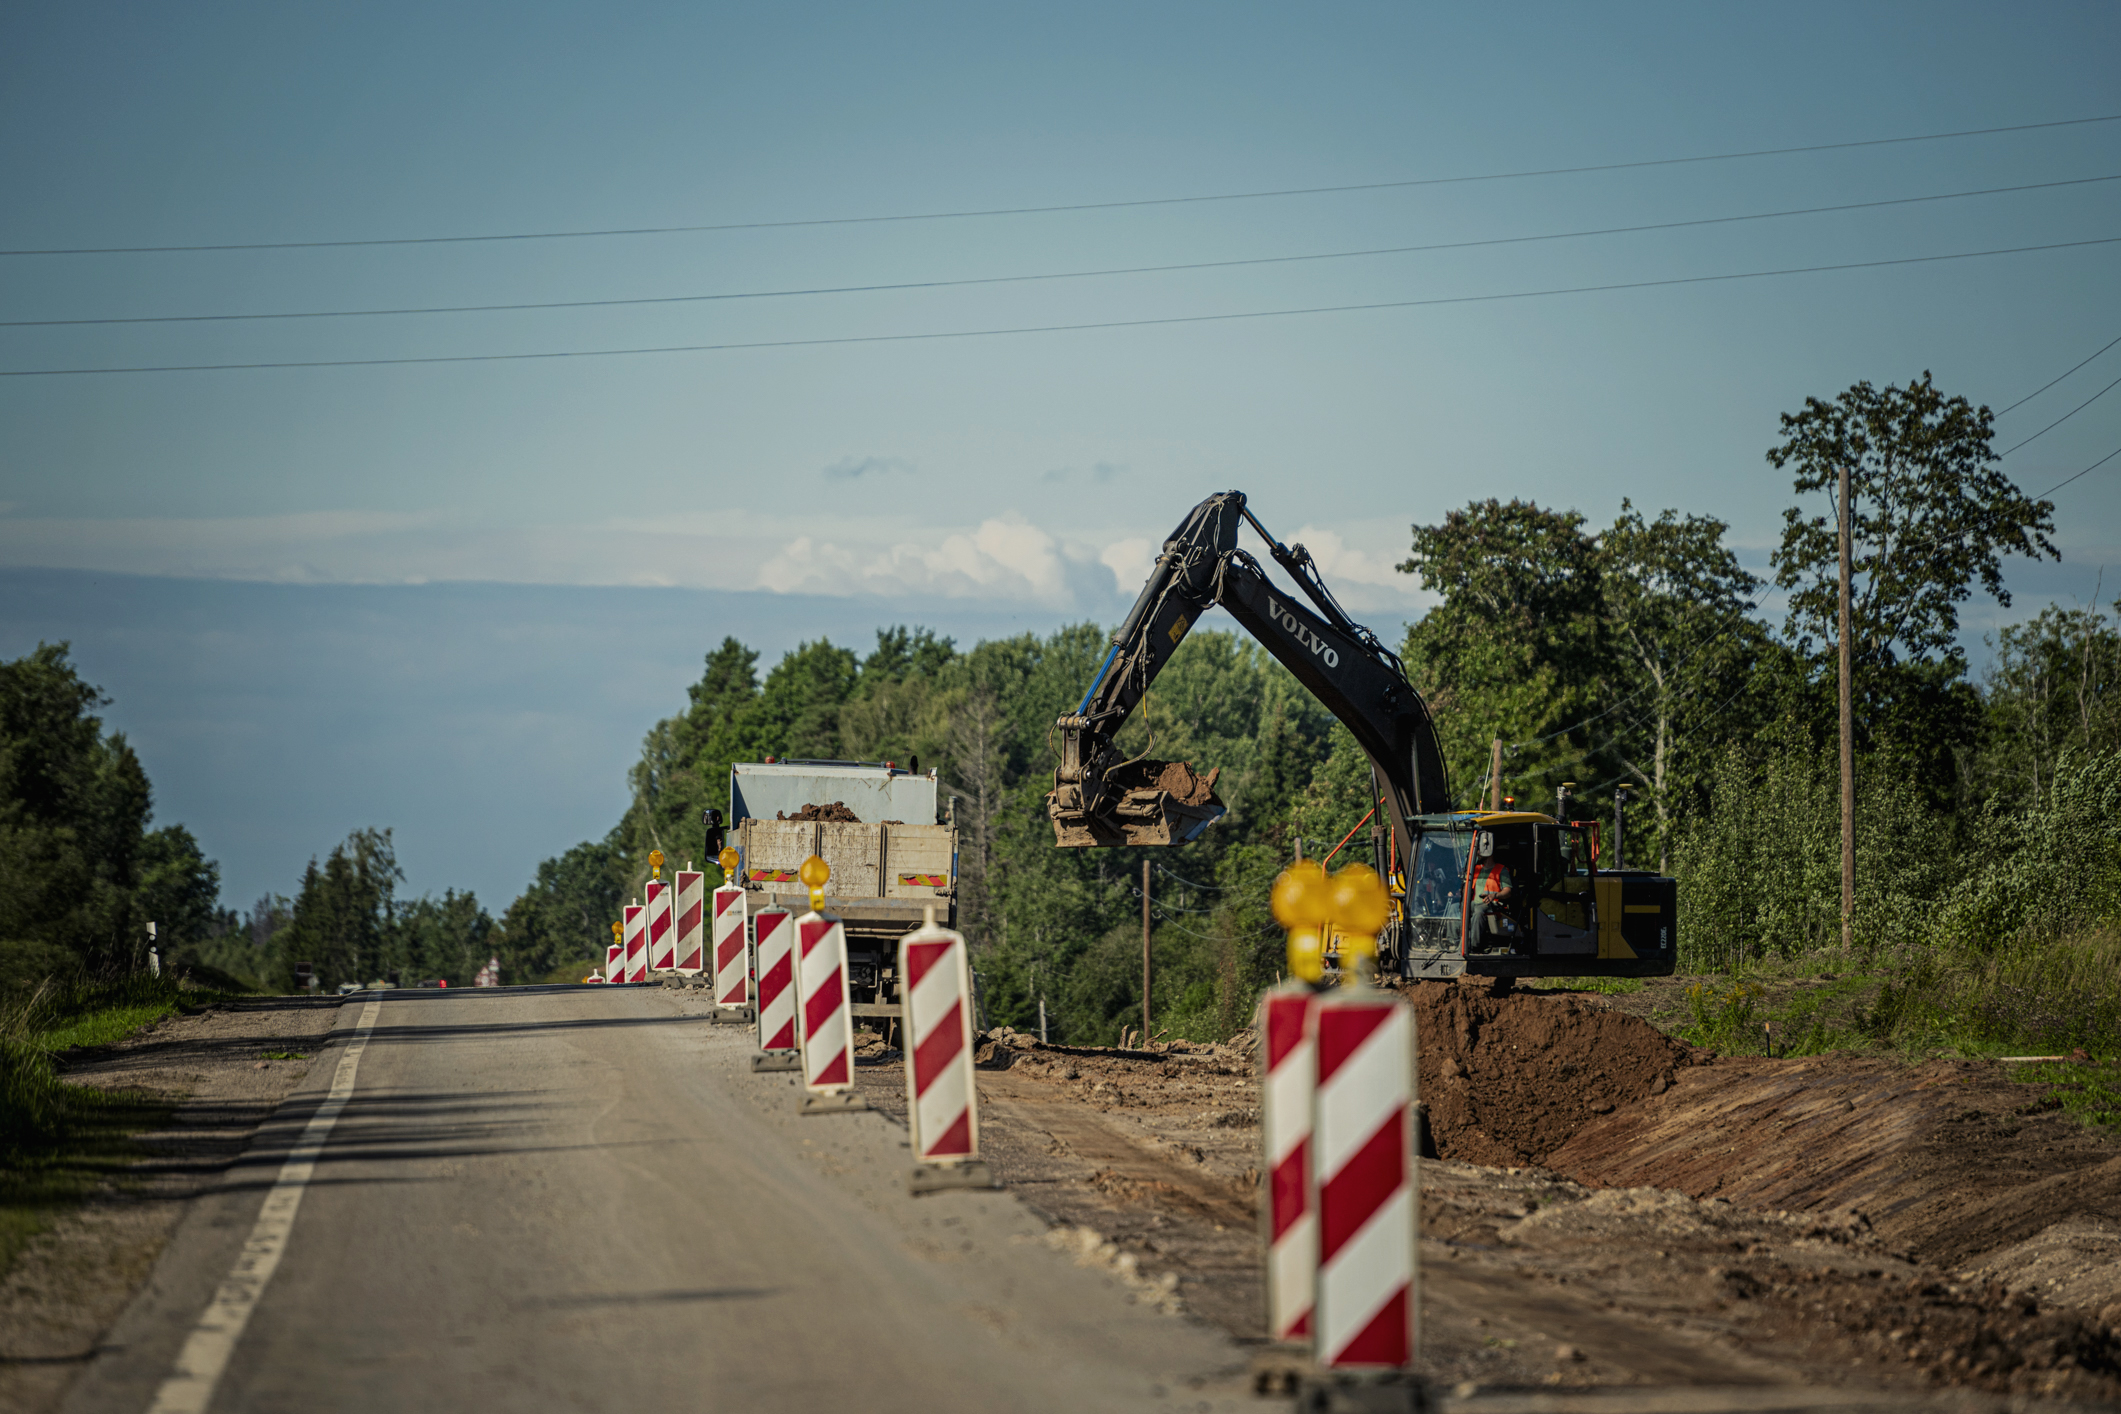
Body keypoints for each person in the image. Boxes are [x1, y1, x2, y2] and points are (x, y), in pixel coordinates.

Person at [1466, 856, 1515, 953]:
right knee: (1455, 908)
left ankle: (1472, 947)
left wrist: (1494, 895)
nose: (1478, 853)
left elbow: (1508, 891)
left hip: (1492, 904)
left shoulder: (1501, 869)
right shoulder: (1475, 869)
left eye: (1480, 850)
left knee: (1478, 912)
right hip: (1473, 903)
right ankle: (1453, 941)